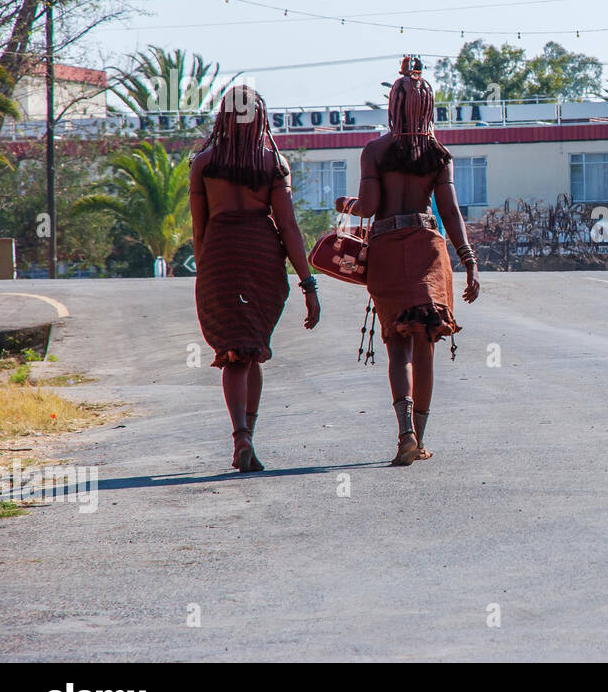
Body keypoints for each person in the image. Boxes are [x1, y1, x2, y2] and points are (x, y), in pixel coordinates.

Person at [338, 56, 480, 466]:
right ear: (428, 108)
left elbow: (367, 207)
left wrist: (345, 203)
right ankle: (420, 437)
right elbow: (450, 212)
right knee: (426, 343)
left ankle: (406, 433)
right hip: (427, 252)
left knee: (397, 344)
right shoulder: (439, 155)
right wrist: (468, 260)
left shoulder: (375, 151)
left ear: (393, 107)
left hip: (385, 251)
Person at [190, 86, 320, 472]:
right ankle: (248, 435)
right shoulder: (273, 164)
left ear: (224, 117)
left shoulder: (203, 163)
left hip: (219, 258)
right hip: (262, 261)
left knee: (234, 353)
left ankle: (241, 436)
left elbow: (200, 230)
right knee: (253, 349)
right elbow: (289, 228)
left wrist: (206, 275)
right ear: (261, 118)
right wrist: (308, 284)